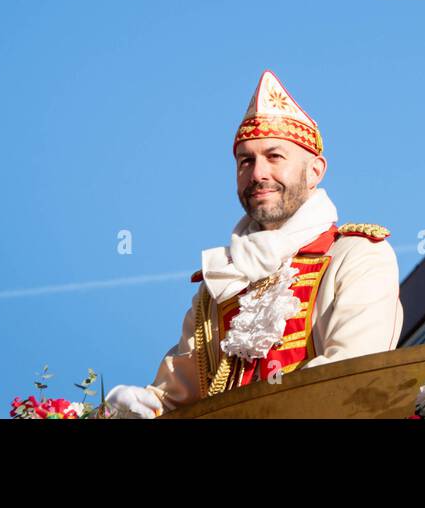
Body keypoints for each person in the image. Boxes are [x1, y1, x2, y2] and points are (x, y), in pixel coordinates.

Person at [105, 70, 403, 418]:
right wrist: (137, 405)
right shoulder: (220, 285)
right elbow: (177, 395)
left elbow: (348, 376)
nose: (258, 173)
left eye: (274, 157)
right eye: (246, 160)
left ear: (315, 171)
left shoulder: (358, 255)